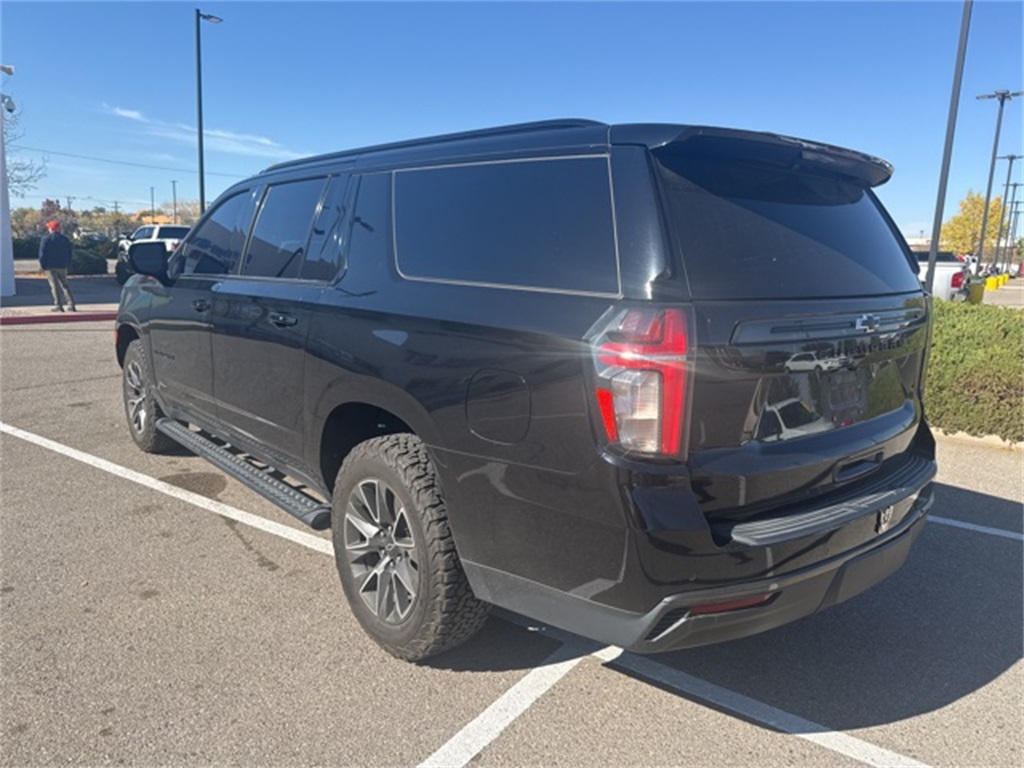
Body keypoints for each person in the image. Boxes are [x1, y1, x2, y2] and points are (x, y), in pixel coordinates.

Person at [38, 220, 76, 312]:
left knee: (54, 286)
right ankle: (71, 304)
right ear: (59, 229)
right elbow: (69, 253)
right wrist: (68, 263)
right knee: (65, 285)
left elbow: (42, 253)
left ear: (51, 229)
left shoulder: (46, 239)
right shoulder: (65, 239)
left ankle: (58, 305)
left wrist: (42, 265)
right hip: (62, 266)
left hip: (50, 266)